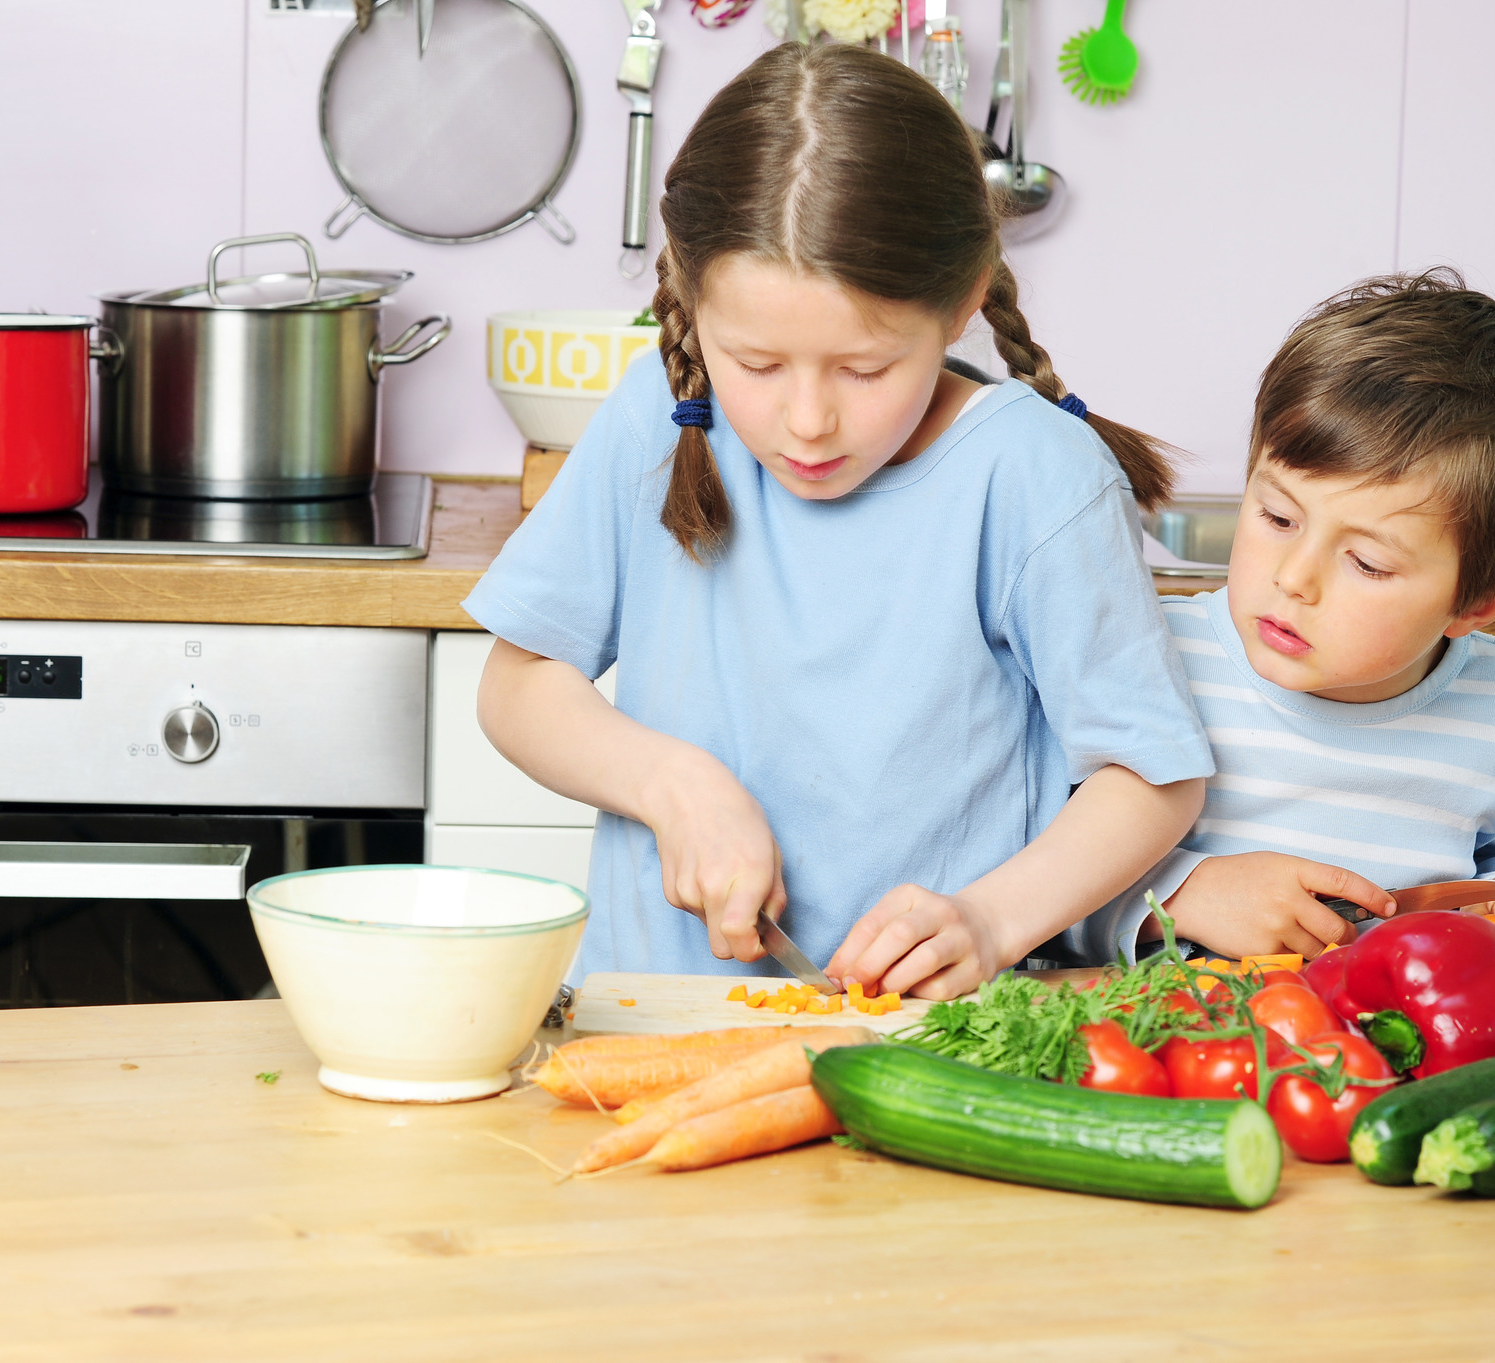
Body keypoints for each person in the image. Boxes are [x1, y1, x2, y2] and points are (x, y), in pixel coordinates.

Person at [464, 43, 1212, 999]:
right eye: (758, 364)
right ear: (692, 305)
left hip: (929, 1038)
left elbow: (1151, 777)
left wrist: (989, 920)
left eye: (864, 370)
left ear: (962, 306)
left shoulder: (1036, 478)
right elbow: (519, 683)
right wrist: (672, 784)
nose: (808, 420)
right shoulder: (661, 409)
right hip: (648, 1016)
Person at [1069, 270, 1495, 966]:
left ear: (1476, 605)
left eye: (1367, 564)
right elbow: (1029, 889)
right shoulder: (1152, 660)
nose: (1293, 577)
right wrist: (1181, 896)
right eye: (1277, 516)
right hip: (1170, 1049)